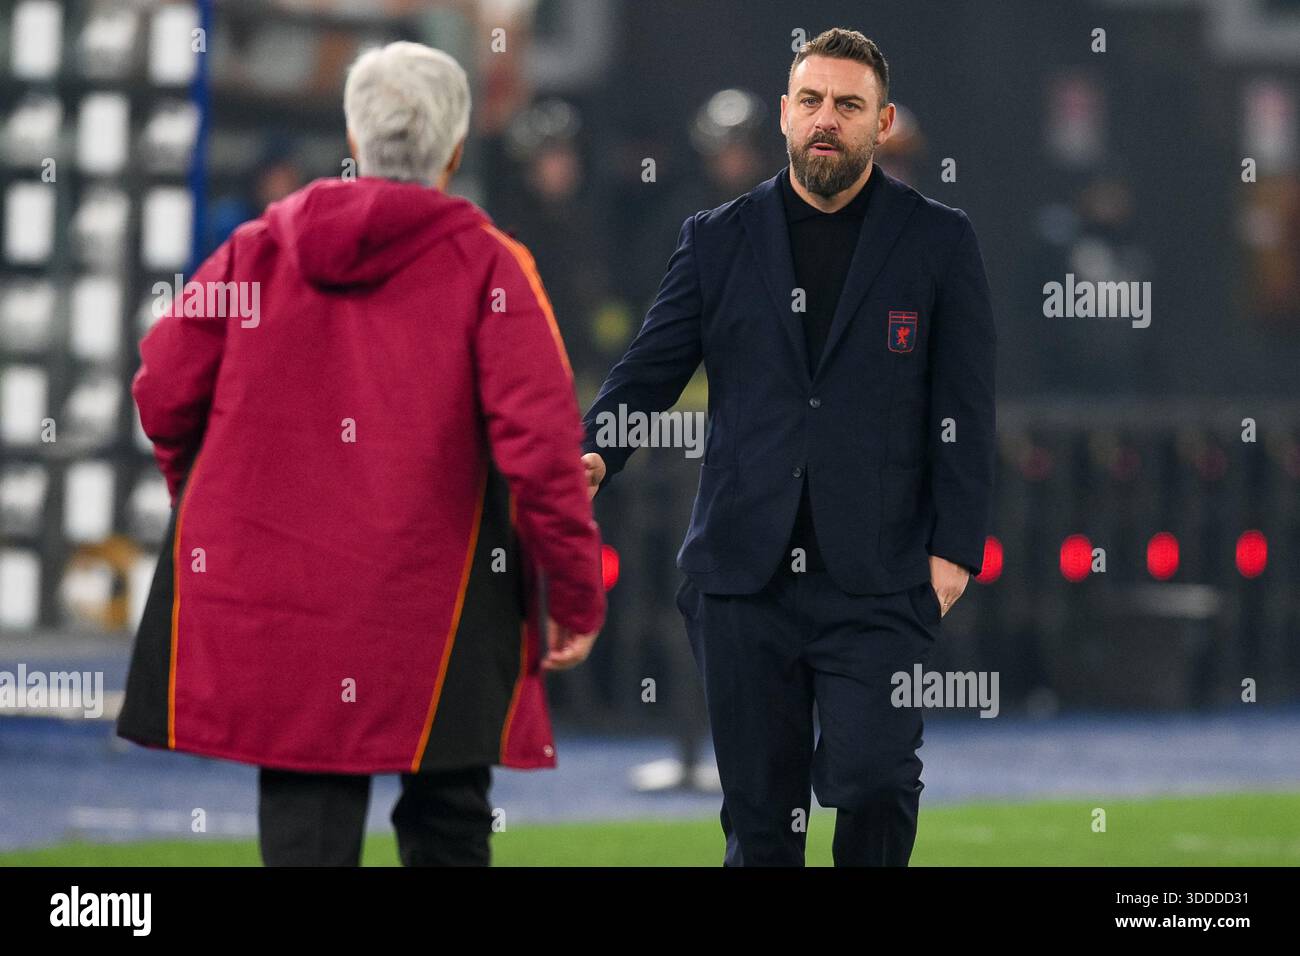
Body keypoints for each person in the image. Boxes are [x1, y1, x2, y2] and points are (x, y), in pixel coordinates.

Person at [117, 41, 605, 867]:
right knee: (450, 815)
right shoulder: (490, 265)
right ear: (454, 150)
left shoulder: (255, 249)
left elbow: (162, 386)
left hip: (286, 592)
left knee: (307, 810)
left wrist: (199, 502)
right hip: (444, 597)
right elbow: (542, 450)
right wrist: (576, 589)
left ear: (354, 136)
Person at [581, 28, 996, 866]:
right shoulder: (716, 237)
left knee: (877, 779)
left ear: (881, 125)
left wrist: (956, 548)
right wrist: (598, 449)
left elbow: (965, 408)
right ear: (783, 115)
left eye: (848, 105)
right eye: (811, 101)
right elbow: (651, 368)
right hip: (743, 573)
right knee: (762, 824)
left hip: (880, 577)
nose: (826, 120)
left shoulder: (939, 242)